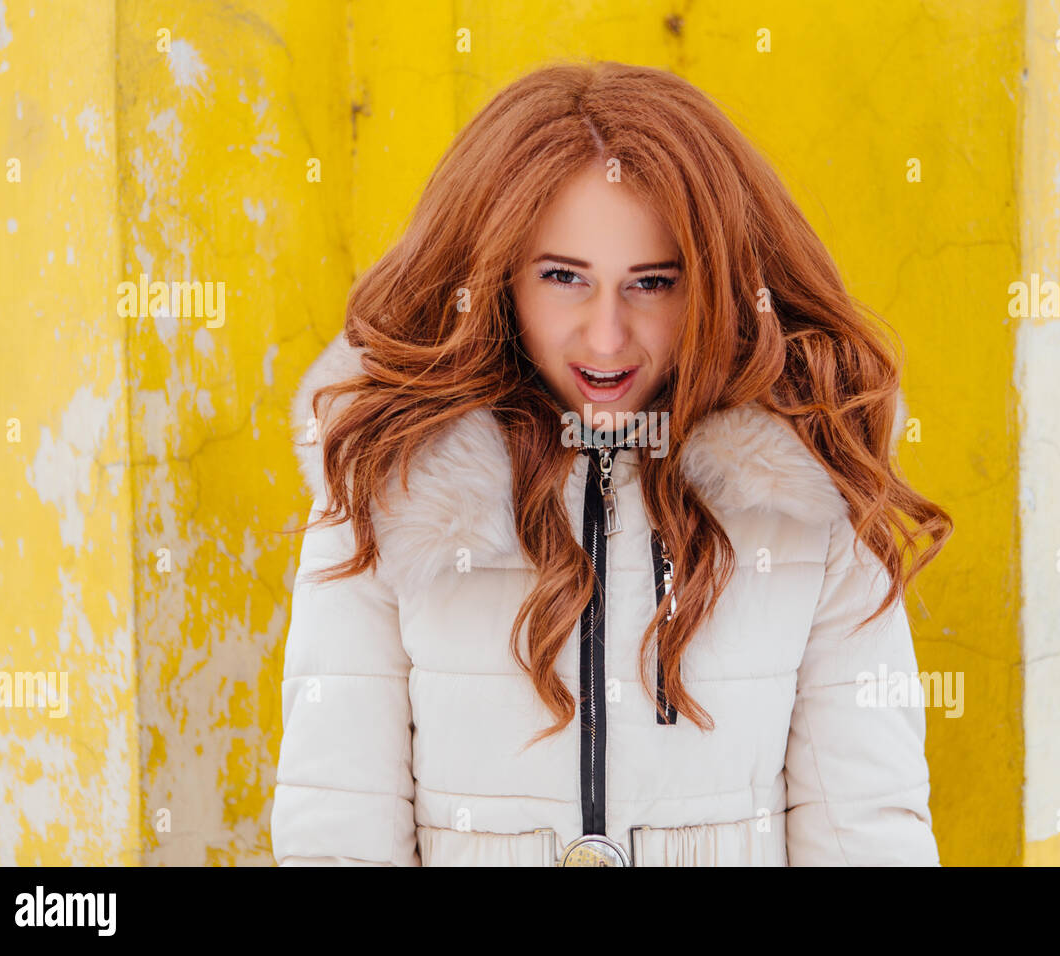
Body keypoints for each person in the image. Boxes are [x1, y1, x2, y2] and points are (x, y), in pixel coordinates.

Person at [270, 60, 952, 866]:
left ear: (716, 284)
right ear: (495, 278)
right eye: (563, 278)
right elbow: (338, 835)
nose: (605, 337)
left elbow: (867, 834)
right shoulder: (389, 483)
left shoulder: (808, 489)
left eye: (652, 284)